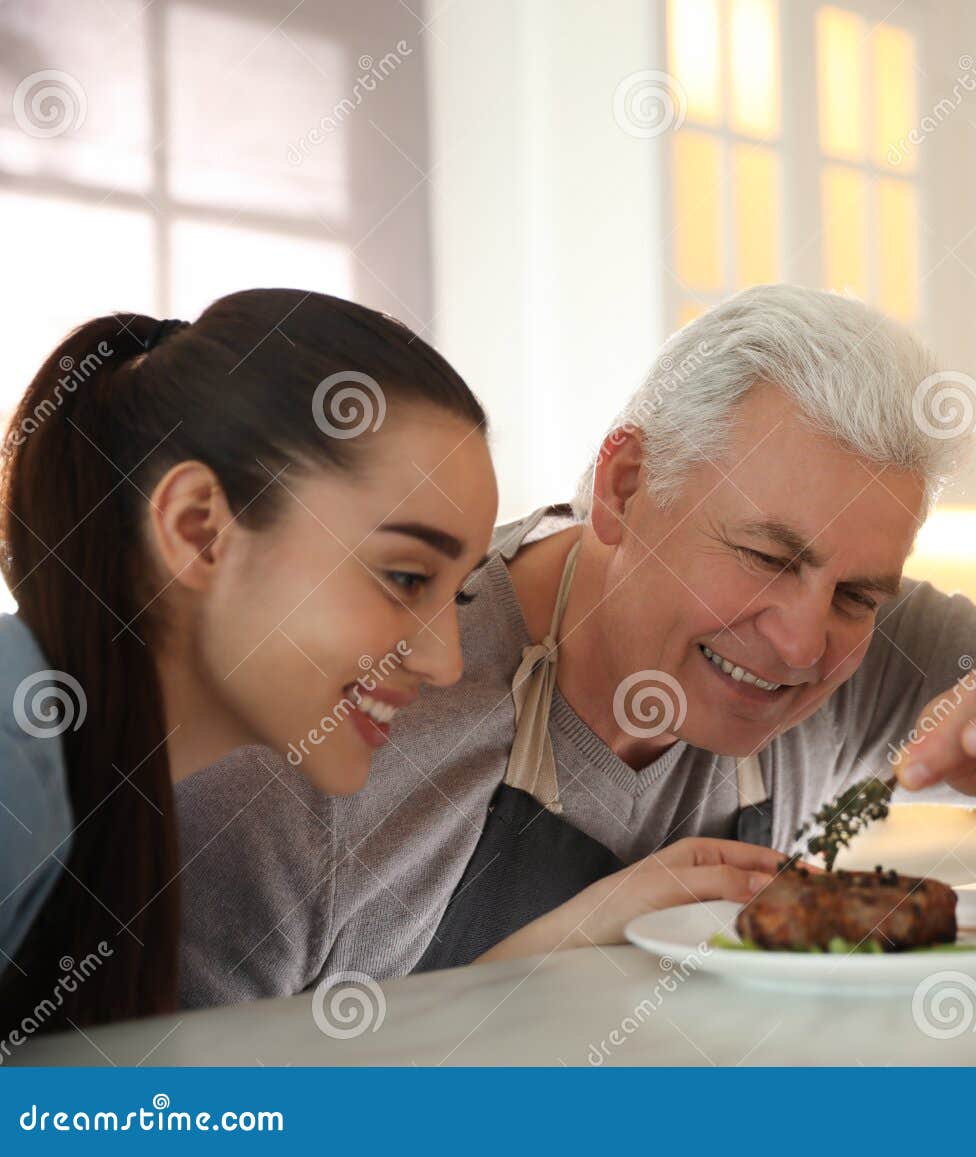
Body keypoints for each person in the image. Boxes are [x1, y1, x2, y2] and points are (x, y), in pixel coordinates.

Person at [179, 284, 976, 1005]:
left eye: (857, 592)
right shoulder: (345, 716)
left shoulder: (859, 652)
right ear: (623, 484)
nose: (801, 639)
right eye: (764, 556)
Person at [0, 289, 778, 1033]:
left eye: (459, 594)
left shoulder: (102, 798)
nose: (443, 661)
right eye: (404, 576)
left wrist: (552, 947)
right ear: (200, 527)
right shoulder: (16, 774)